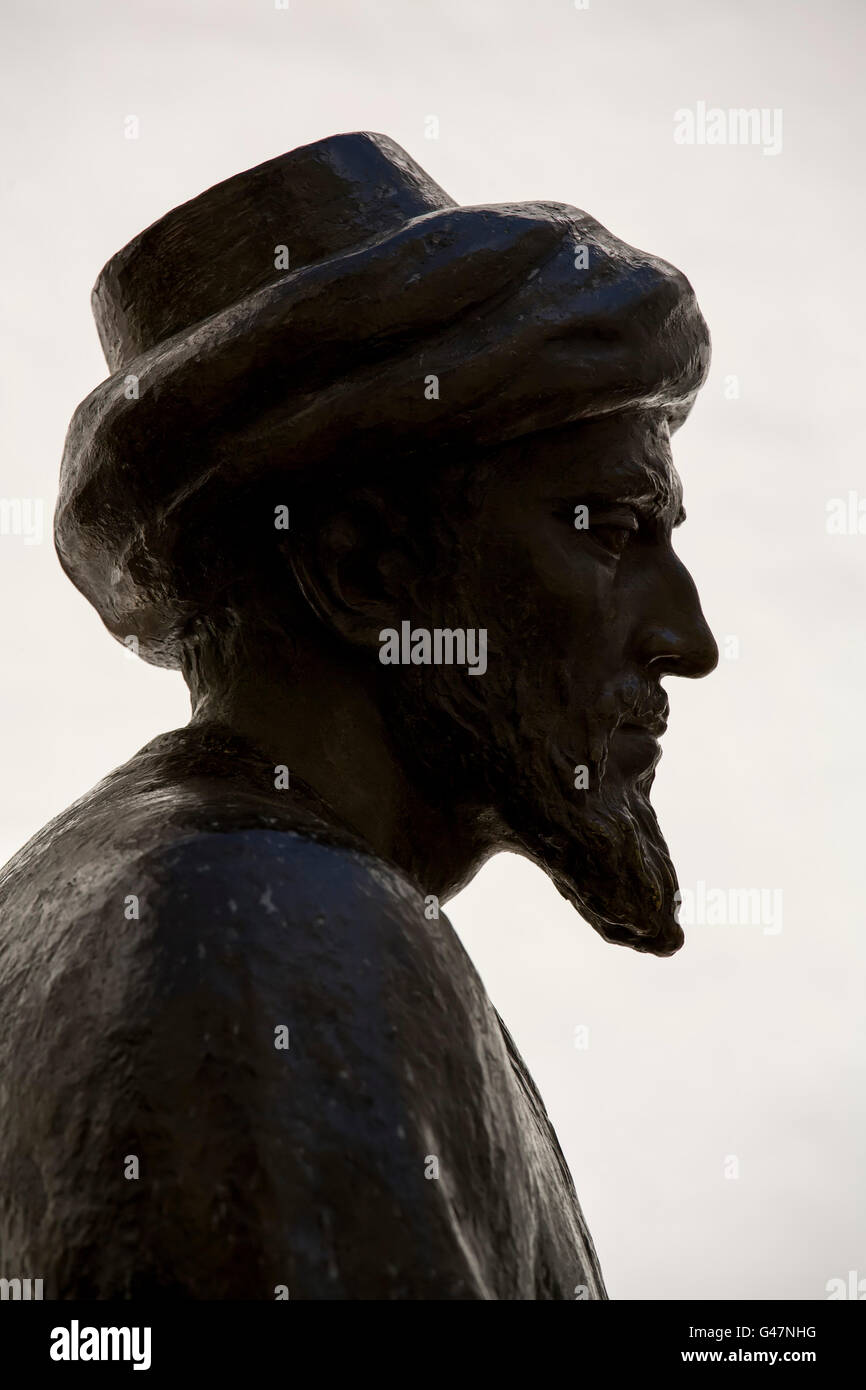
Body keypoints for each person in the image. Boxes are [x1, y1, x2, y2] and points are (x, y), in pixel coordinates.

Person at [0, 131, 717, 1299]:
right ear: (365, 571)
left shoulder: (151, 902)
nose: (687, 641)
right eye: (607, 529)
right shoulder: (269, 925)